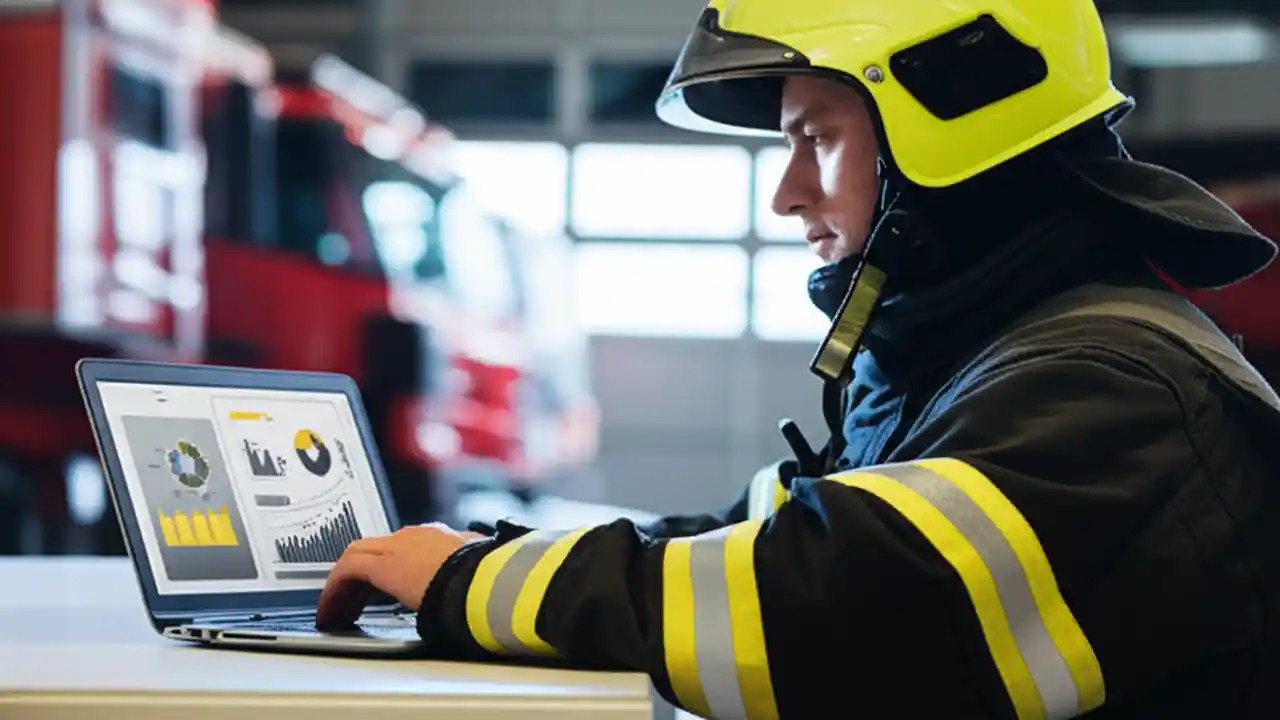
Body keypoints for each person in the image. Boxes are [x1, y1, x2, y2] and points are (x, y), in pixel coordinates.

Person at [318, 1, 1280, 717]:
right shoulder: (973, 364)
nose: (786, 194)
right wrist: (493, 556)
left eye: (816, 138)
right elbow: (756, 538)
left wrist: (471, 586)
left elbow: (826, 613)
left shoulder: (1120, 393)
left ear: (954, 120)